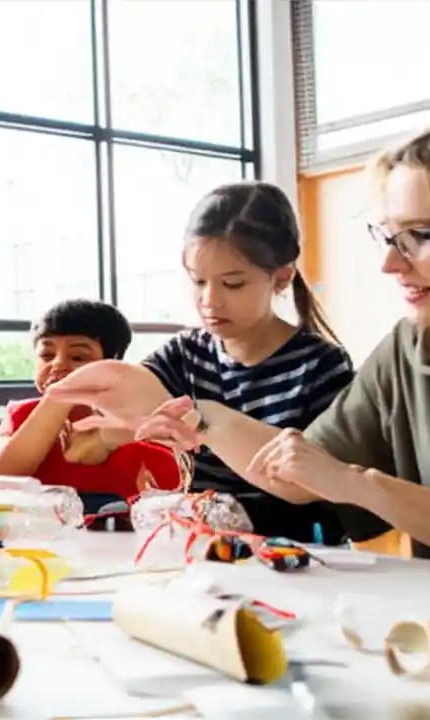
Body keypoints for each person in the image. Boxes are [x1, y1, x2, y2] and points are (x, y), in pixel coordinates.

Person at [49, 111, 430, 576]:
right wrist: (197, 417)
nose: (390, 263)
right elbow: (303, 473)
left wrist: (358, 483)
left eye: (422, 234)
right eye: (388, 235)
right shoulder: (413, 347)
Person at [140, 181, 352, 542]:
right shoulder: (183, 355)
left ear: (282, 277)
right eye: (198, 281)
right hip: (197, 551)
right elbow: (132, 400)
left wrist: (232, 515)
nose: (210, 301)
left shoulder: (321, 366)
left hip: (293, 559)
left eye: (233, 284)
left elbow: (324, 495)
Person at [0, 299, 181, 513]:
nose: (58, 364)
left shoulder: (128, 419)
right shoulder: (20, 414)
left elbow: (175, 484)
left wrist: (112, 438)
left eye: (78, 356)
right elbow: (2, 482)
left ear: (112, 364)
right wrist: (60, 397)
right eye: (46, 355)